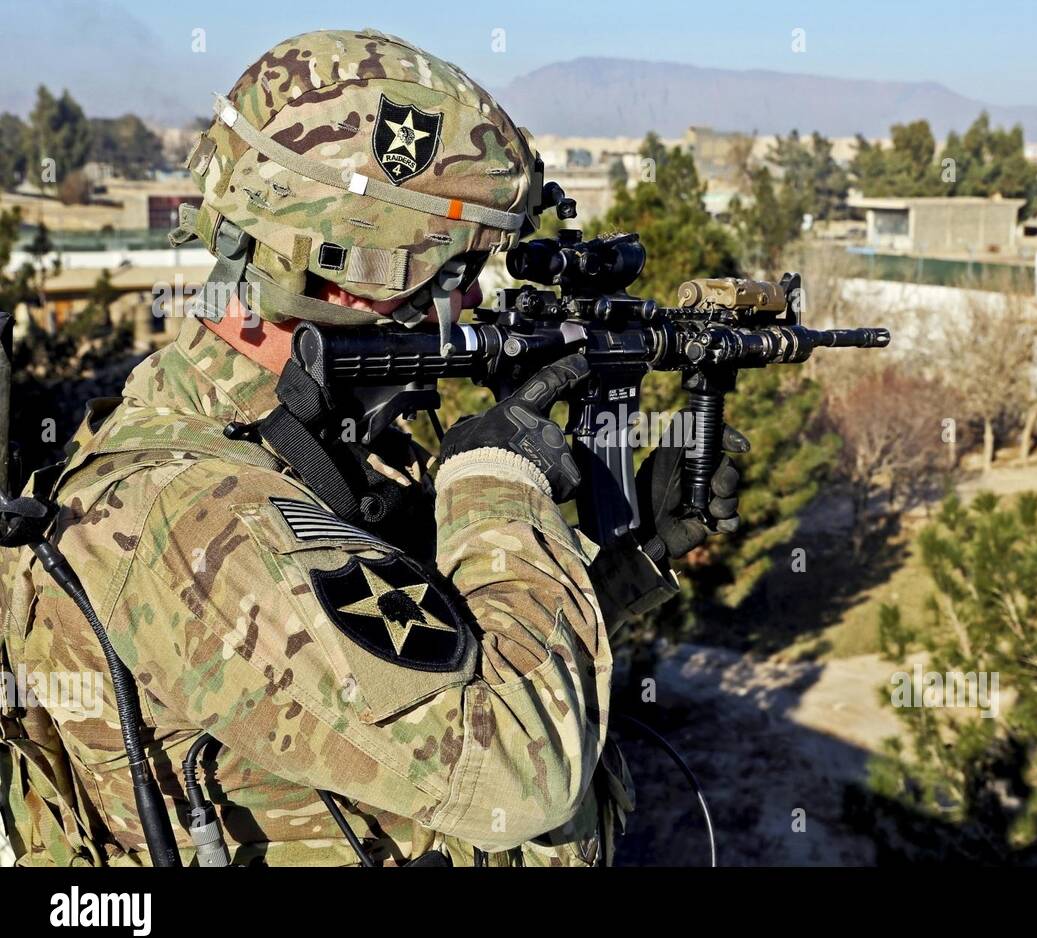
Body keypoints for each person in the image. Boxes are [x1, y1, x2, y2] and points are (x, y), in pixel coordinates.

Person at [0, 28, 741, 867]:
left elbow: (434, 682)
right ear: (343, 273)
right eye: (453, 272)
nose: (461, 302)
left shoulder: (311, 445)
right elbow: (513, 778)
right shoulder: (198, 515)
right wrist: (495, 482)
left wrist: (626, 565)